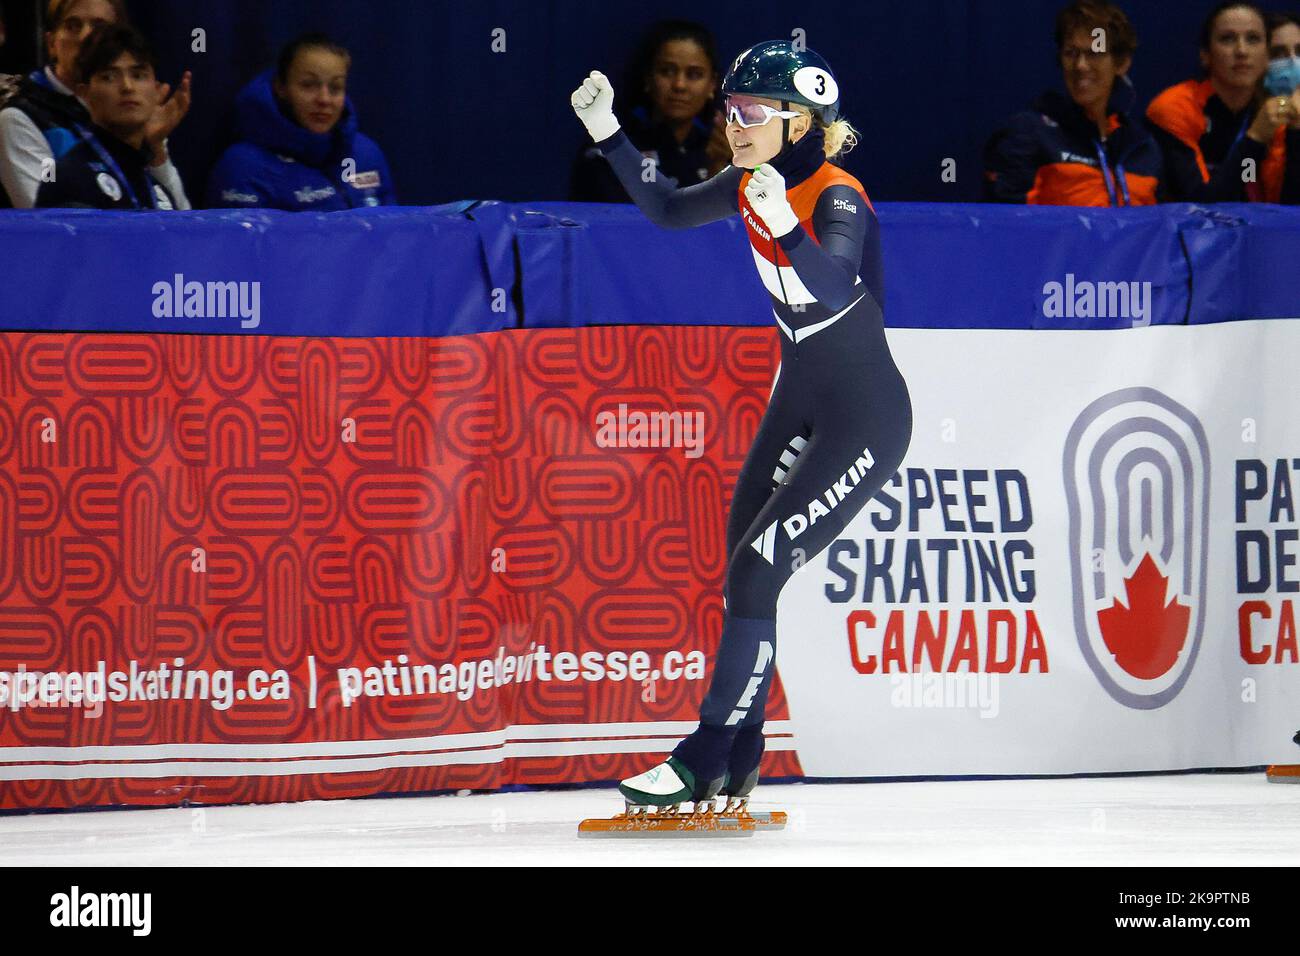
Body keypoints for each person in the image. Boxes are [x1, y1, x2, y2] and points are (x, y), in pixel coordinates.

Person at [571, 41, 913, 808]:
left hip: (865, 418)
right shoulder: (748, 181)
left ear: (799, 125)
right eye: (730, 111)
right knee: (742, 571)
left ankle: (701, 755)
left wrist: (786, 226)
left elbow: (833, 287)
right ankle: (741, 754)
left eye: (752, 113)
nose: (734, 124)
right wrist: (610, 135)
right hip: (800, 398)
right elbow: (664, 211)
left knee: (760, 570)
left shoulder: (837, 195)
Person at [0, 0, 190, 208]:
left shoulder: (134, 114)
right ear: (51, 42)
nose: (85, 37)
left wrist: (154, 151)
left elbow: (179, 220)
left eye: (99, 27)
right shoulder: (23, 116)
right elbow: (45, 217)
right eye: (73, 26)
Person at [984, 1, 1161, 205]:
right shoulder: (1030, 132)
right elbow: (999, 225)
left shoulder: (1142, 148)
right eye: (1071, 53)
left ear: (1121, 63)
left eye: (1094, 53)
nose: (1081, 65)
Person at [206, 32, 395, 210]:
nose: (324, 99)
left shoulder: (366, 153)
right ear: (281, 88)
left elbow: (394, 235)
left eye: (336, 87)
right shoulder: (243, 167)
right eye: (308, 85)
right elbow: (238, 244)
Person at [1146, 2, 1299, 203]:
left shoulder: (1265, 111)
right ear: (1205, 56)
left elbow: (1287, 206)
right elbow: (1201, 205)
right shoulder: (1176, 107)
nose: (1242, 51)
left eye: (1253, 39)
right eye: (1227, 39)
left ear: (1266, 56)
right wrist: (1255, 139)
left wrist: (1296, 131)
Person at [570, 19, 730, 202]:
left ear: (712, 84)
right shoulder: (610, 145)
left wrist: (718, 168)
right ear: (648, 78)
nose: (679, 85)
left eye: (694, 74)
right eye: (667, 71)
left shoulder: (723, 151)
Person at [35, 23, 181, 209]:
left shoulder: (157, 190)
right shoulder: (66, 178)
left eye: (138, 75)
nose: (127, 87)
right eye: (109, 77)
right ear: (84, 94)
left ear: (156, 89)